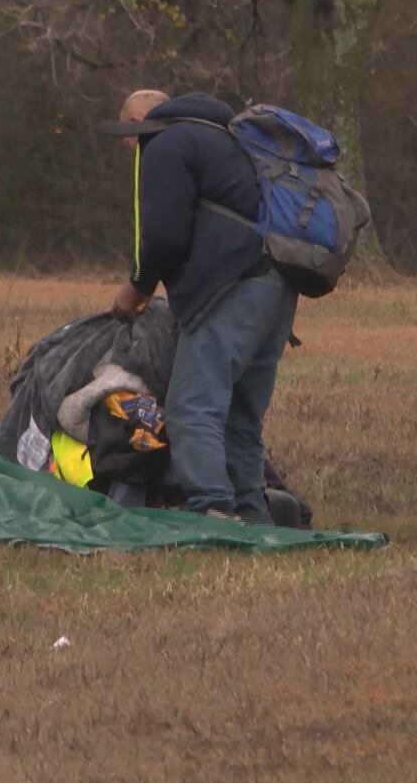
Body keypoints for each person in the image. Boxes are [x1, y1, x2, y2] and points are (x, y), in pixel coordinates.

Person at [101, 90, 296, 523]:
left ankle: (212, 512)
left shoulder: (164, 143)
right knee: (241, 417)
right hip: (277, 286)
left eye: (128, 140)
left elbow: (164, 236)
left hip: (229, 286)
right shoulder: (224, 138)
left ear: (138, 122)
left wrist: (135, 287)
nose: (131, 151)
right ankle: (253, 515)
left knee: (192, 410)